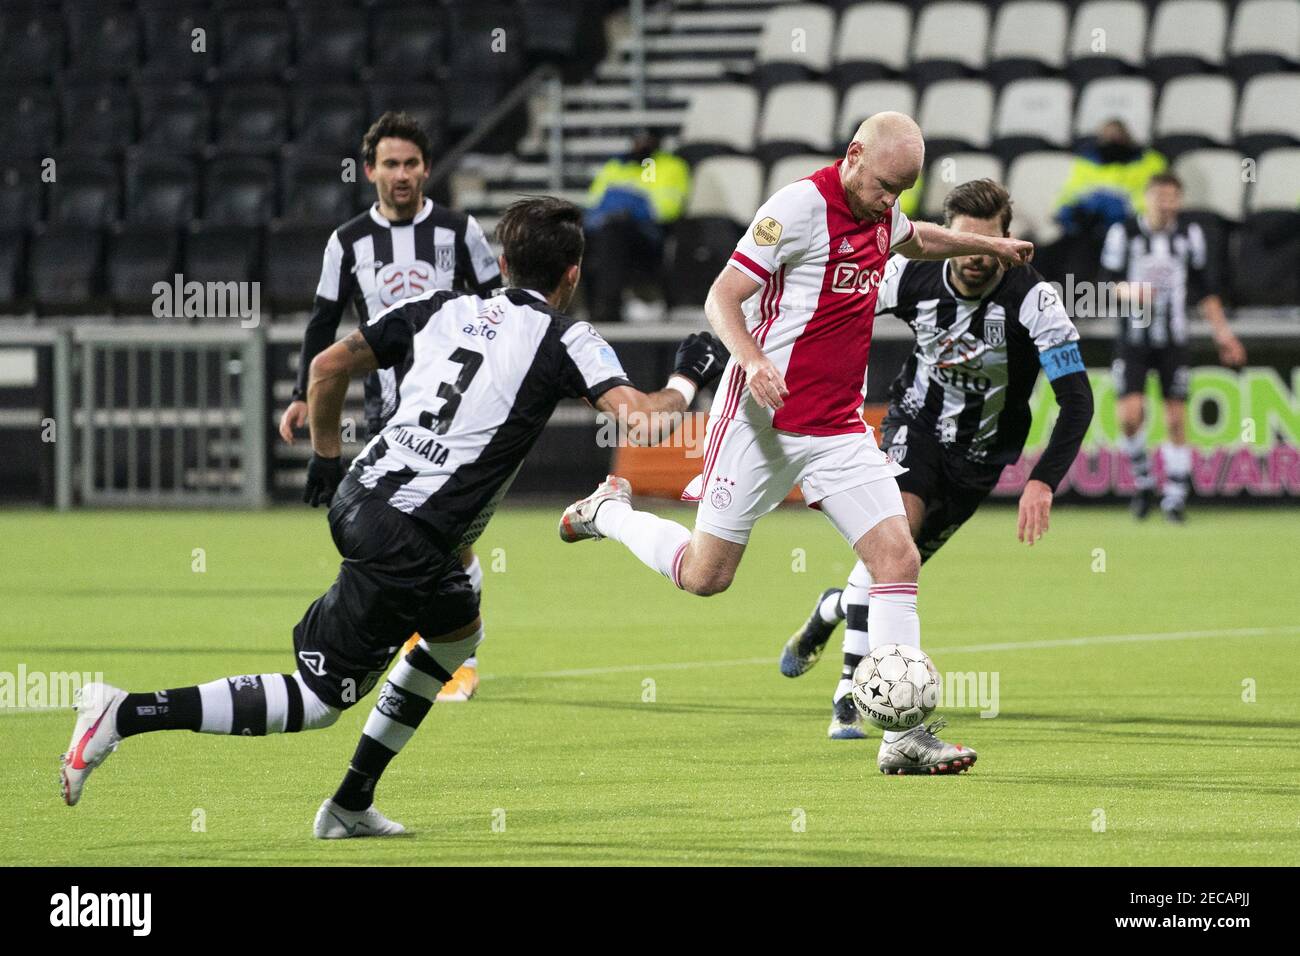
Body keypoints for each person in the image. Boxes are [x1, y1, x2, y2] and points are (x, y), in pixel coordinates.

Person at [59, 197, 727, 837]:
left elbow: (326, 365)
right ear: (572, 274)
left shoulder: (440, 305)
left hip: (365, 495)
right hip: (408, 532)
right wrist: (689, 376)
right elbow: (642, 419)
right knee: (317, 701)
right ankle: (125, 712)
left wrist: (326, 456)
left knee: (458, 634)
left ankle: (352, 803)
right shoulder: (566, 336)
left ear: (507, 260)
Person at [558, 113, 1036, 775]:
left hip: (837, 427)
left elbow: (915, 239)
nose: (888, 201)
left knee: (898, 559)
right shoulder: (798, 207)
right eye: (882, 186)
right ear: (853, 155)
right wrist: (752, 360)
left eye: (901, 190)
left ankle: (905, 738)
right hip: (761, 421)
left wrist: (992, 250)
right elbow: (722, 296)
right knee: (706, 576)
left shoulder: (881, 213)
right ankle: (608, 512)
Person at [777, 179, 1095, 740]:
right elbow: (833, 315)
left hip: (980, 458)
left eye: (987, 245)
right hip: (913, 426)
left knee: (894, 565)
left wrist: (1043, 481)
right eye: (961, 242)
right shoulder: (909, 273)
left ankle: (832, 610)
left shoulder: (1033, 298)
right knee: (895, 541)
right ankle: (851, 693)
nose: (974, 257)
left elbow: (1077, 398)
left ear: (1007, 241)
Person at [278, 111, 501, 702]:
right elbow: (324, 322)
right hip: (386, 413)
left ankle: (459, 655)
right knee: (413, 534)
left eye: (411, 163)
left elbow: (501, 313)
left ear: (426, 168)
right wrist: (304, 394)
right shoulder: (348, 241)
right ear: (370, 169)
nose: (401, 175)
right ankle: (434, 645)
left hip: (452, 414)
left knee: (449, 539)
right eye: (390, 164)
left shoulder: (460, 232)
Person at [1100, 171, 1246, 522]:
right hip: (1133, 339)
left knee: (1176, 418)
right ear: (1146, 198)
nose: (1166, 205)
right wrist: (1131, 292)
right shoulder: (1124, 233)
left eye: (1172, 198)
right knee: (1130, 417)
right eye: (1160, 197)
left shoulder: (1189, 237)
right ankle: (1145, 481)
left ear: (1179, 201)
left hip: (1174, 341)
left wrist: (1223, 336)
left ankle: (1175, 499)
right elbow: (1105, 285)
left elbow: (1204, 291)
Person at [582, 131, 691, 321]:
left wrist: (633, 209)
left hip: (648, 232)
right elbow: (593, 203)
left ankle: (608, 306)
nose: (641, 145)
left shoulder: (672, 165)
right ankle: (582, 304)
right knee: (576, 234)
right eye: (637, 140)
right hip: (608, 226)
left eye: (647, 140)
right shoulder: (615, 166)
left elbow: (670, 208)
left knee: (614, 233)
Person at [1053, 119, 1168, 282]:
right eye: (1107, 136)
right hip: (1089, 227)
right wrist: (1072, 209)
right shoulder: (1086, 161)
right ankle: (1076, 299)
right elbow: (1070, 194)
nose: (1112, 140)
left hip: (1131, 226)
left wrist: (1125, 206)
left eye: (1117, 136)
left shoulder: (1151, 161)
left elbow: (1156, 198)